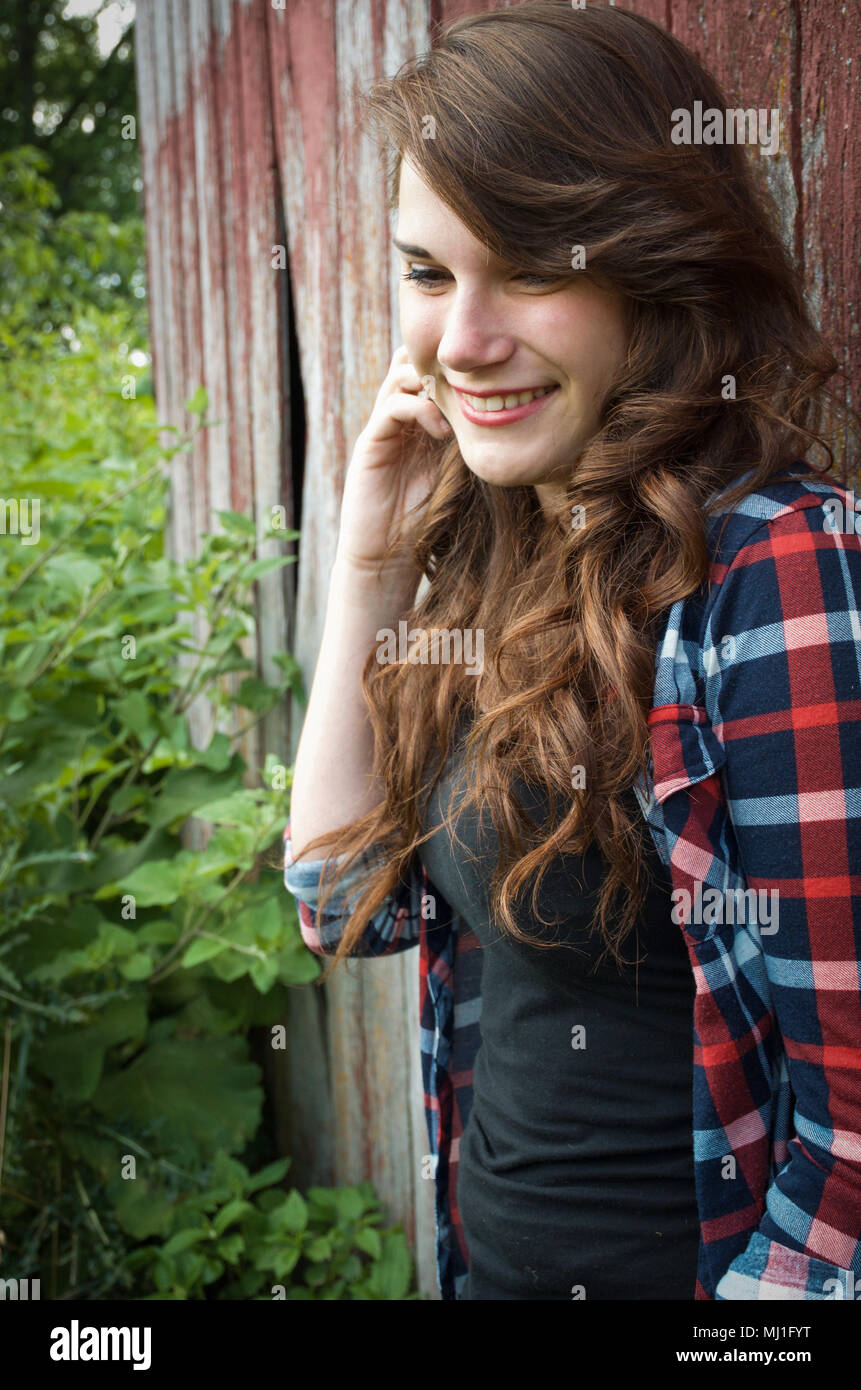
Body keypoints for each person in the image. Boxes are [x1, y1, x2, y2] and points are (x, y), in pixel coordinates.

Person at [283, 2, 861, 1300]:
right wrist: (370, 564)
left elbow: (851, 1161)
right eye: (427, 274)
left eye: (532, 267)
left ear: (656, 270)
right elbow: (340, 904)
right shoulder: (508, 555)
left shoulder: (777, 578)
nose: (462, 339)